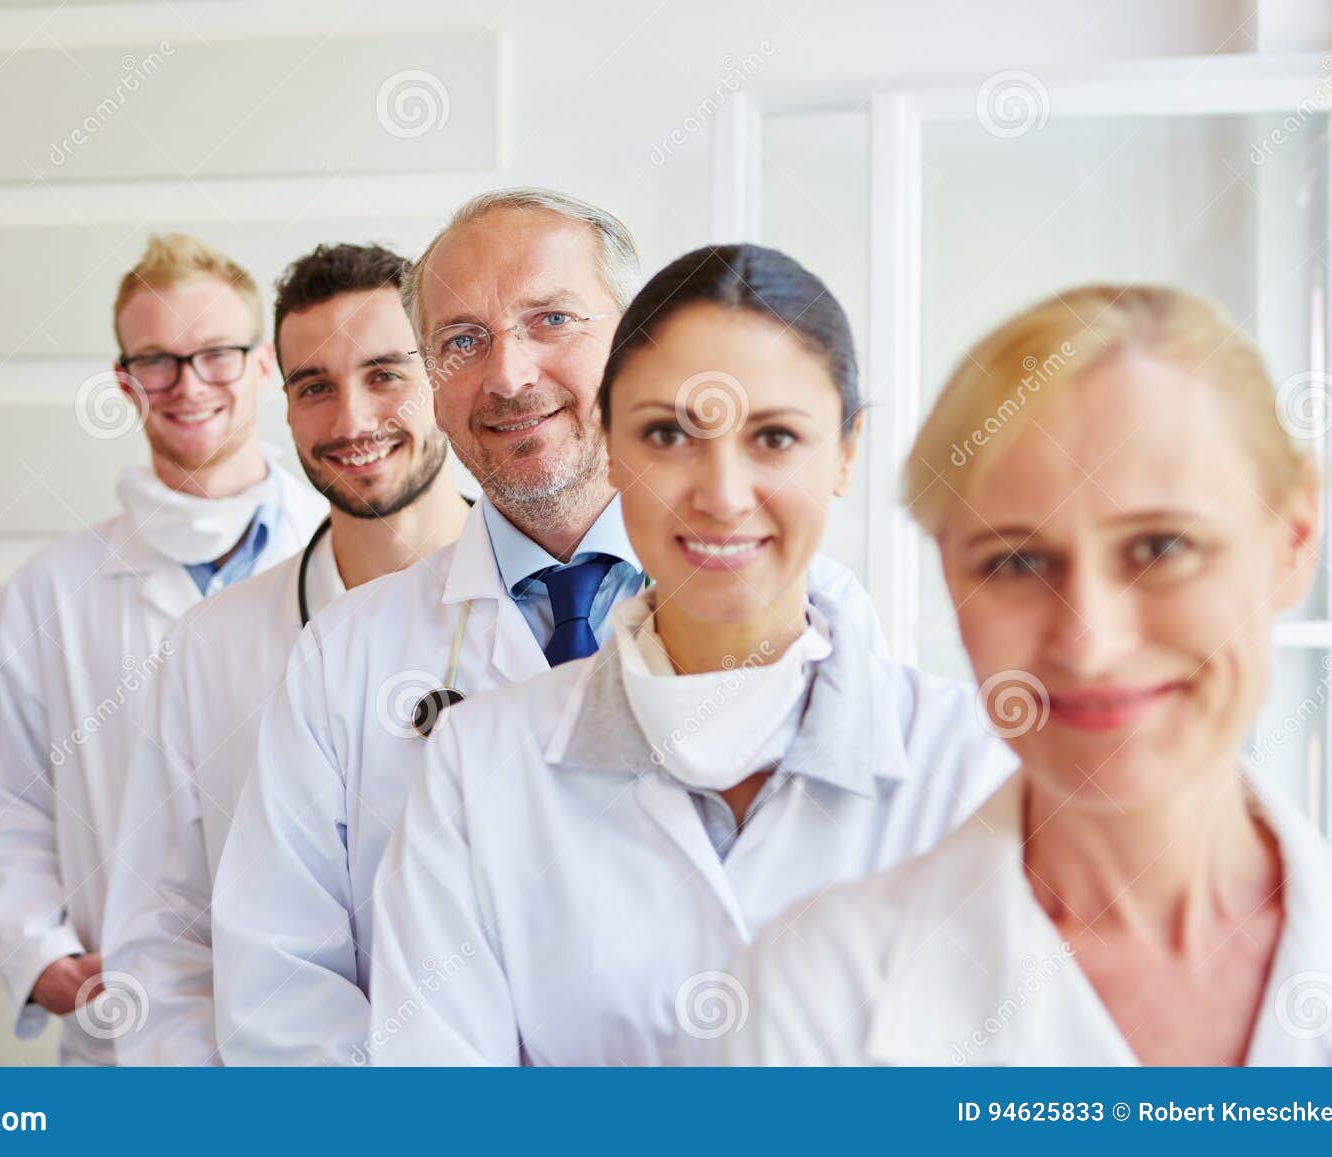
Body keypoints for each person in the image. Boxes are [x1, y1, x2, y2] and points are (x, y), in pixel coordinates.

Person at [210, 191, 887, 1065]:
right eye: (462, 341)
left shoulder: (812, 613)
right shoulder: (346, 658)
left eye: (552, 320)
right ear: (433, 389)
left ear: (635, 347)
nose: (508, 375)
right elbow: (278, 994)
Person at [363, 243, 1015, 1066]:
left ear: (846, 451)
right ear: (608, 441)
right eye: (667, 432)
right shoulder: (478, 767)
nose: (722, 494)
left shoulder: (973, 766)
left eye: (775, 436)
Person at [725, 285, 1332, 1066]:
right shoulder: (818, 999)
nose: (1089, 642)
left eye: (1161, 547)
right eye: (1016, 560)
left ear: (1294, 540)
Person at [0, 234, 327, 1066]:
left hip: (314, 1029)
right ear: (125, 381)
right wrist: (37, 951)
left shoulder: (344, 560)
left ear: (263, 365)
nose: (189, 384)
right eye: (157, 360)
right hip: (124, 1035)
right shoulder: (55, 588)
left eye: (217, 355)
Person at [99, 244, 472, 1065]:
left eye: (385, 374)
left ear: (447, 372)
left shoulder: (558, 617)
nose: (350, 421)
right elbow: (160, 939)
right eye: (314, 387)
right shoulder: (212, 645)